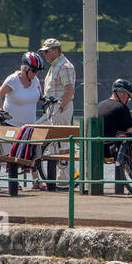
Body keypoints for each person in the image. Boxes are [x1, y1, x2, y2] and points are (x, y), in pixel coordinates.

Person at [39, 38, 76, 186]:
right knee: (57, 142)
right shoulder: (56, 65)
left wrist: (61, 107)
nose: (45, 54)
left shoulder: (64, 66)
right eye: (44, 52)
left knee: (63, 142)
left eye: (47, 51)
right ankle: (61, 177)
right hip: (53, 107)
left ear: (56, 51)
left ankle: (64, 178)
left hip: (59, 107)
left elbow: (69, 89)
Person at [0, 52, 43, 128]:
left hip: (29, 126)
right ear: (25, 68)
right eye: (34, 70)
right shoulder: (13, 80)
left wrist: (46, 100)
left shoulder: (35, 80)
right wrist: (1, 111)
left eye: (38, 71)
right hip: (10, 125)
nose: (36, 73)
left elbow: (39, 96)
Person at [97, 78, 132, 165]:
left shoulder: (99, 105)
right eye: (128, 97)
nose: (127, 100)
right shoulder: (122, 108)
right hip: (110, 150)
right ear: (124, 94)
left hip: (94, 149)